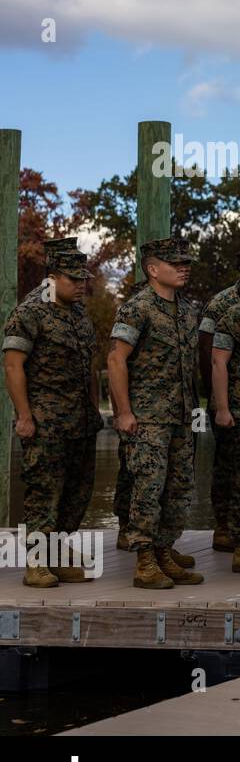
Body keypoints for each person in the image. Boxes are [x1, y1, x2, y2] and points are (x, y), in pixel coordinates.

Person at [107, 237, 204, 589]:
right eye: (175, 263)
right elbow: (116, 359)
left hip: (182, 416)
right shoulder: (138, 308)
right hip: (148, 418)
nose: (183, 268)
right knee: (147, 488)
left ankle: (165, 551)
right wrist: (124, 412)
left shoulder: (188, 310)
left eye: (185, 263)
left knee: (179, 489)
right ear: (152, 269)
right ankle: (145, 561)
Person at [2, 239, 100, 587]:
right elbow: (13, 367)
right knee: (44, 493)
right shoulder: (30, 312)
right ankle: (35, 563)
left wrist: (94, 409)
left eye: (83, 278)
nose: (81, 285)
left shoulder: (77, 312)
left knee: (78, 491)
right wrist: (24, 417)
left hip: (80, 421)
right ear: (53, 277)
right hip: (46, 423)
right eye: (74, 279)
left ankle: (57, 554)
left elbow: (89, 365)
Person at [198, 250, 240, 554]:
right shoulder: (223, 304)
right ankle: (226, 528)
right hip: (230, 401)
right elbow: (207, 354)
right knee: (228, 469)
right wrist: (218, 402)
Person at [209, 249, 240, 572]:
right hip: (239, 408)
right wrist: (220, 407)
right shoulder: (232, 311)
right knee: (239, 477)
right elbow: (215, 360)